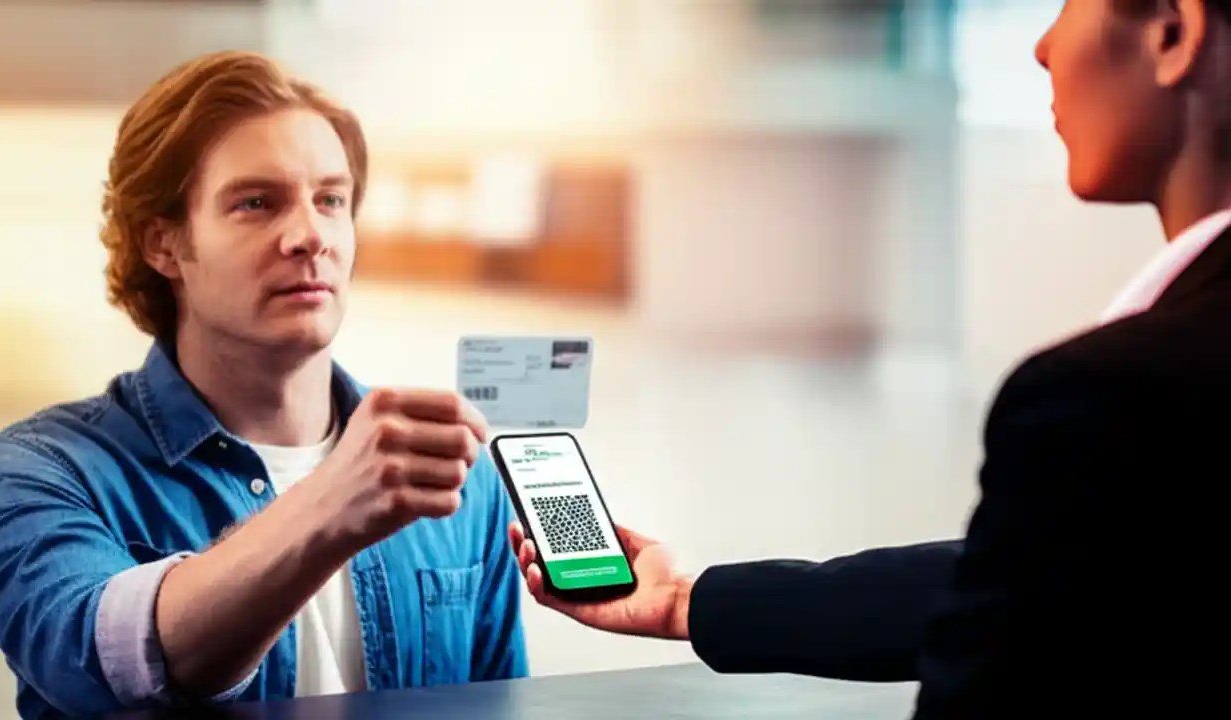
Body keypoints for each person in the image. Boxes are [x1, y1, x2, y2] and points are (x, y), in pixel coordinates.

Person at [511, 1, 1228, 717]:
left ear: (1172, 32)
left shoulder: (1106, 393)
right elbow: (1047, 579)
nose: (1043, 46)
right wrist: (685, 600)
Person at [0, 51, 527, 720]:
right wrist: (331, 505)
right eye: (256, 203)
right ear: (163, 244)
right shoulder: (39, 473)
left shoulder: (454, 477)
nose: (310, 235)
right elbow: (111, 664)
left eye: (331, 200)